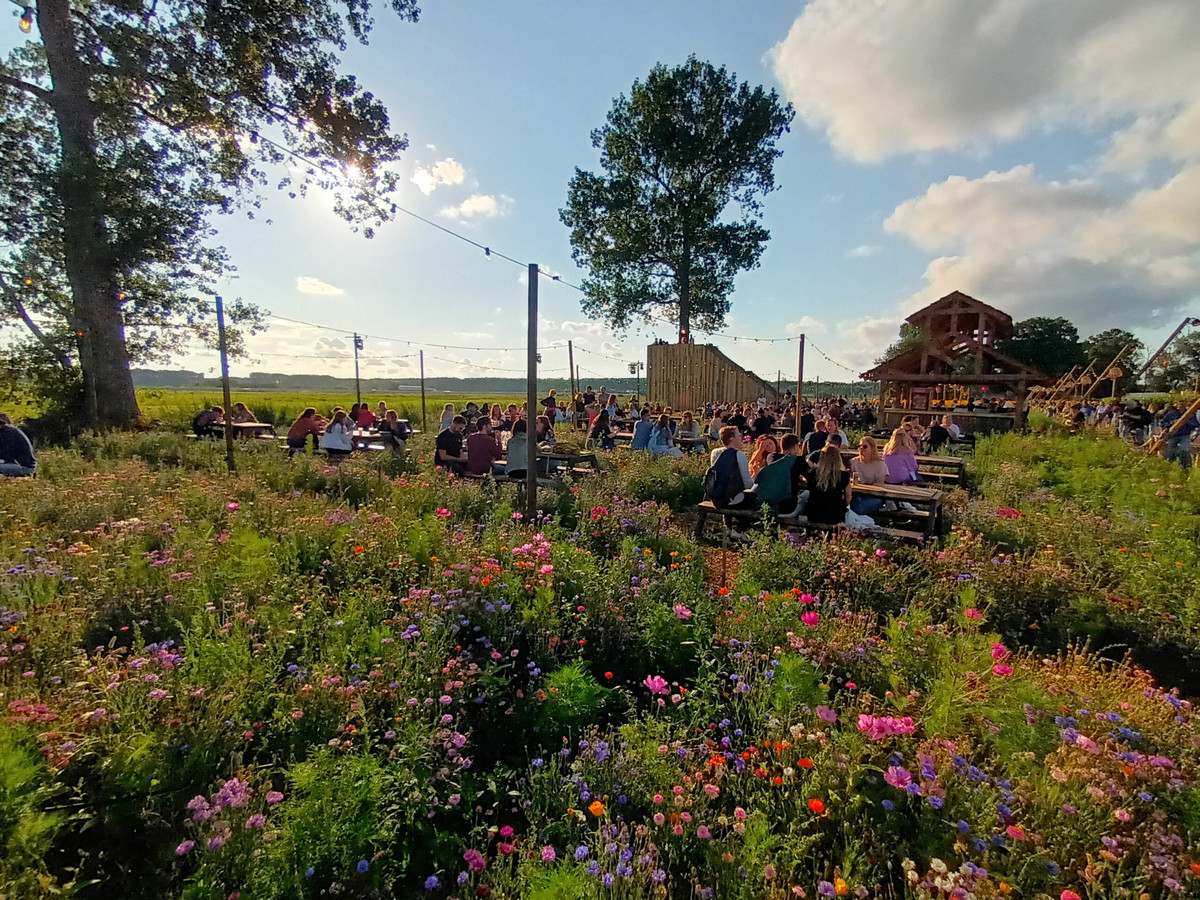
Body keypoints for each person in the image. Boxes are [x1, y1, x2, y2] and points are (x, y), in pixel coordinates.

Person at [706, 425, 756, 538]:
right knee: (755, 498)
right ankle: (739, 529)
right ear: (731, 439)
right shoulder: (739, 455)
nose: (741, 436)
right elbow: (747, 483)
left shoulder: (715, 452)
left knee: (728, 490)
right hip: (731, 500)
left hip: (717, 499)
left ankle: (727, 526)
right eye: (738, 434)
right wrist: (757, 480)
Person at [804, 443, 852, 527]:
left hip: (814, 513)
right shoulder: (843, 476)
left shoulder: (812, 473)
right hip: (834, 514)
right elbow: (848, 497)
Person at [849, 435, 888, 516]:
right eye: (859, 446)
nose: (861, 448)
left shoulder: (880, 464)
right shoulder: (854, 462)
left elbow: (879, 486)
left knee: (858, 506)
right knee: (855, 502)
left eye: (865, 446)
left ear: (872, 448)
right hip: (858, 493)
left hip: (874, 495)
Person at [1161, 401, 1200, 470]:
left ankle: (1186, 465)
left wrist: (1186, 422)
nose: (1180, 406)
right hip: (1172, 435)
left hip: (1184, 435)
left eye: (1182, 404)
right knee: (1170, 450)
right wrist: (1171, 423)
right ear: (1176, 405)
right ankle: (1170, 465)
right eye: (1179, 404)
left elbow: (1195, 424)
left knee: (1184, 449)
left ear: (1185, 405)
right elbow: (1163, 423)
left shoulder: (1190, 414)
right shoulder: (1171, 413)